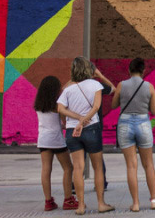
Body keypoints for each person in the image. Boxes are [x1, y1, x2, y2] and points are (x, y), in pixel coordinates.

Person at [57, 56, 114, 214]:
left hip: (72, 131)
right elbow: (96, 107)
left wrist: (77, 119)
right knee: (97, 167)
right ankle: (101, 203)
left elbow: (60, 109)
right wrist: (84, 120)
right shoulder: (95, 84)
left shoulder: (68, 89)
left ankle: (81, 206)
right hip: (92, 129)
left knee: (77, 168)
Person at [111, 58, 155, 211]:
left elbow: (113, 105)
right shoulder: (149, 87)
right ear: (143, 70)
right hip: (143, 124)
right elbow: (154, 111)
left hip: (125, 124)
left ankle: (135, 203)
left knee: (131, 166)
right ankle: (154, 201)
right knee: (148, 164)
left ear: (129, 70)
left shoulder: (121, 85)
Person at [34, 75, 79, 212]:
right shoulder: (57, 105)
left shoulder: (39, 104)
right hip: (56, 140)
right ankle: (68, 199)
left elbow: (62, 89)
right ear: (55, 89)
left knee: (46, 169)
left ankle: (48, 201)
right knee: (68, 168)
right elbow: (64, 121)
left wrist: (70, 81)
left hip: (43, 139)